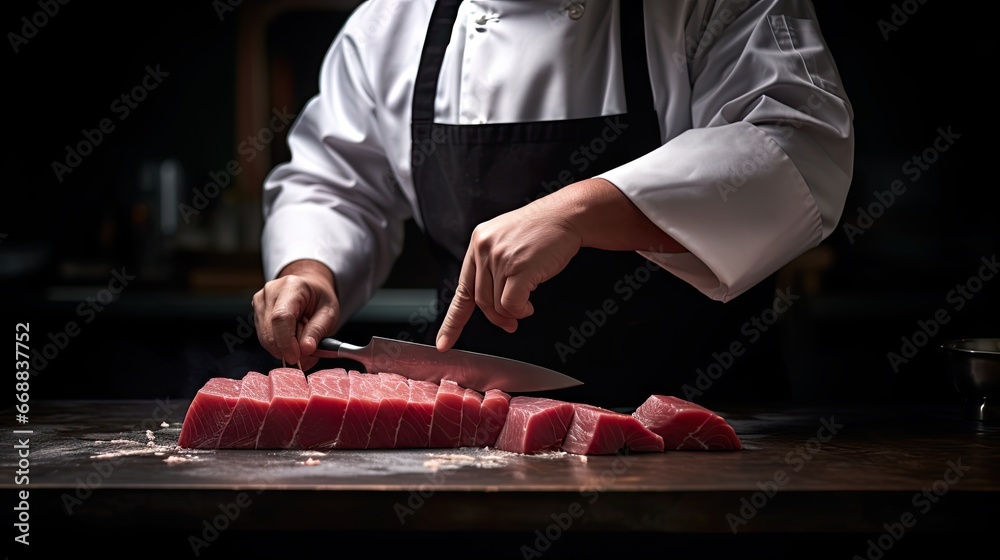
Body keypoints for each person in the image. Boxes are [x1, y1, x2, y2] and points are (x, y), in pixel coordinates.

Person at [252, 0, 854, 407]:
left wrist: (583, 209)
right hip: (473, 429)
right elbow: (333, 180)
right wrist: (310, 269)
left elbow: (797, 141)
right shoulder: (393, 21)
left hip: (706, 416)